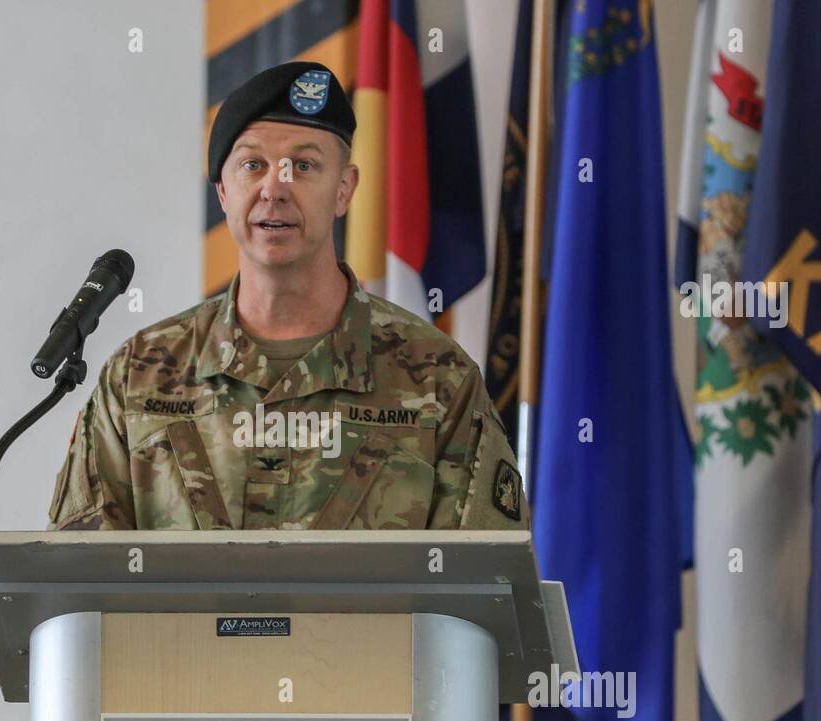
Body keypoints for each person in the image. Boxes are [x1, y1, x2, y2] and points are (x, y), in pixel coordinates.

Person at [47, 61, 526, 532]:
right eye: (252, 165)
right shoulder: (138, 376)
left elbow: (481, 592)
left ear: (344, 189)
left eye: (304, 165)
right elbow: (78, 588)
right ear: (222, 192)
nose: (274, 188)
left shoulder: (439, 379)